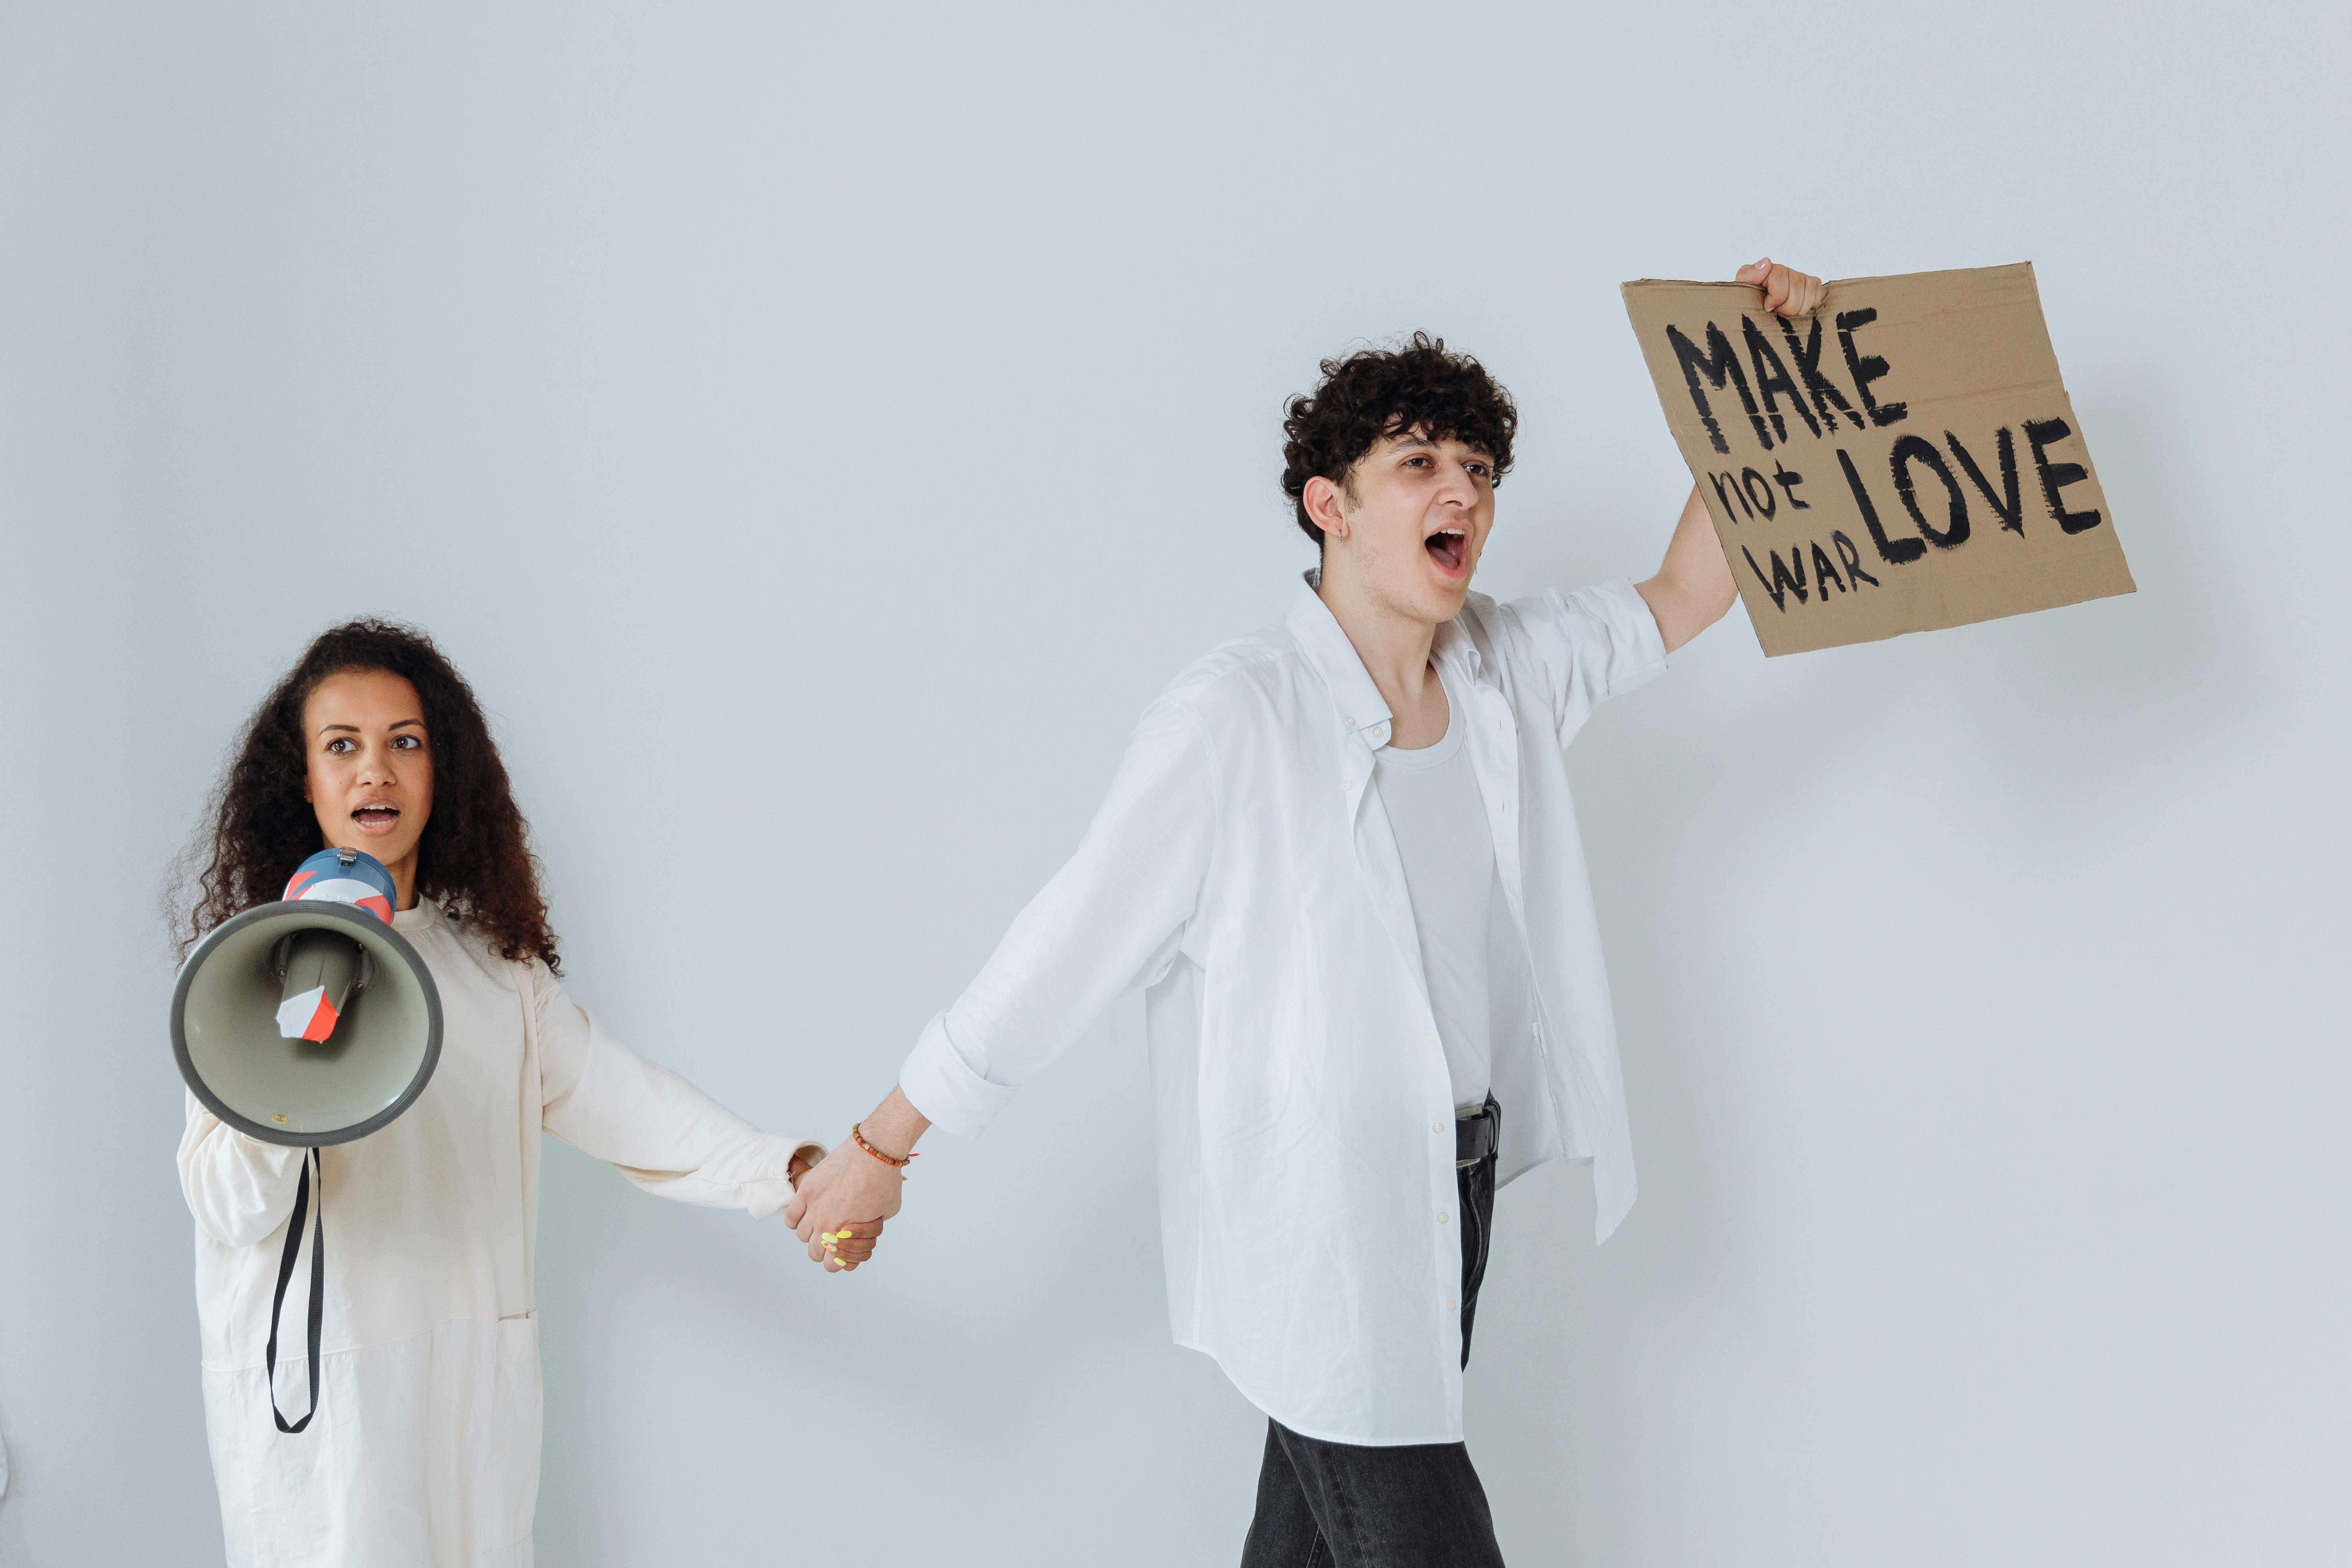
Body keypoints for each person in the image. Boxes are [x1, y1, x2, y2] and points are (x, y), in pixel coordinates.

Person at [789, 261, 1827, 1564]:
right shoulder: (1233, 719)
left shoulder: (1503, 666)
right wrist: (881, 1142)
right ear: (1325, 504)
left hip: (1454, 1183)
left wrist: (1769, 382)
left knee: (1305, 1543)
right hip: (1323, 1207)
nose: (1461, 492)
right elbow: (1061, 947)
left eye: (1477, 469)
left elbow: (1684, 593)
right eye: (1417, 464)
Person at [172, 619, 881, 1568]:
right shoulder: (248, 968)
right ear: (303, 779)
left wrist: (796, 1172)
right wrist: (300, 1032)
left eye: (404, 741)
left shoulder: (498, 976)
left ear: (441, 770)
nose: (374, 770)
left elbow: (634, 1105)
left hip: (466, 1395)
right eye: (341, 745)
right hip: (321, 1405)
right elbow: (227, 1201)